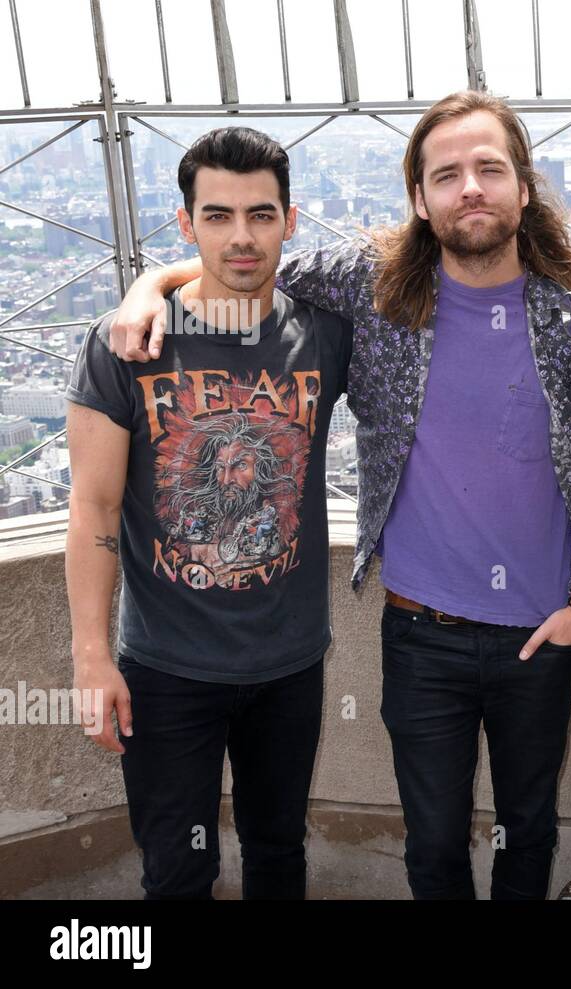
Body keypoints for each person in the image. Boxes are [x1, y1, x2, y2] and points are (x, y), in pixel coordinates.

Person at [107, 91, 571, 900]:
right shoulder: (375, 289)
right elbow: (242, 262)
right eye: (445, 174)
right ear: (419, 198)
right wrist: (148, 286)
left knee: (530, 829)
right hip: (420, 632)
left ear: (524, 186)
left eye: (490, 168)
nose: (470, 188)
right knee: (433, 845)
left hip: (540, 627)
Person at [66, 126, 351, 899]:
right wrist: (91, 657)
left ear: (290, 221)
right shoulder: (126, 344)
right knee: (177, 872)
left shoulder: (322, 333)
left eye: (261, 214)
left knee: (279, 854)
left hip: (289, 661)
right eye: (217, 216)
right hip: (166, 667)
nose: (242, 236)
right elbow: (93, 506)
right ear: (186, 224)